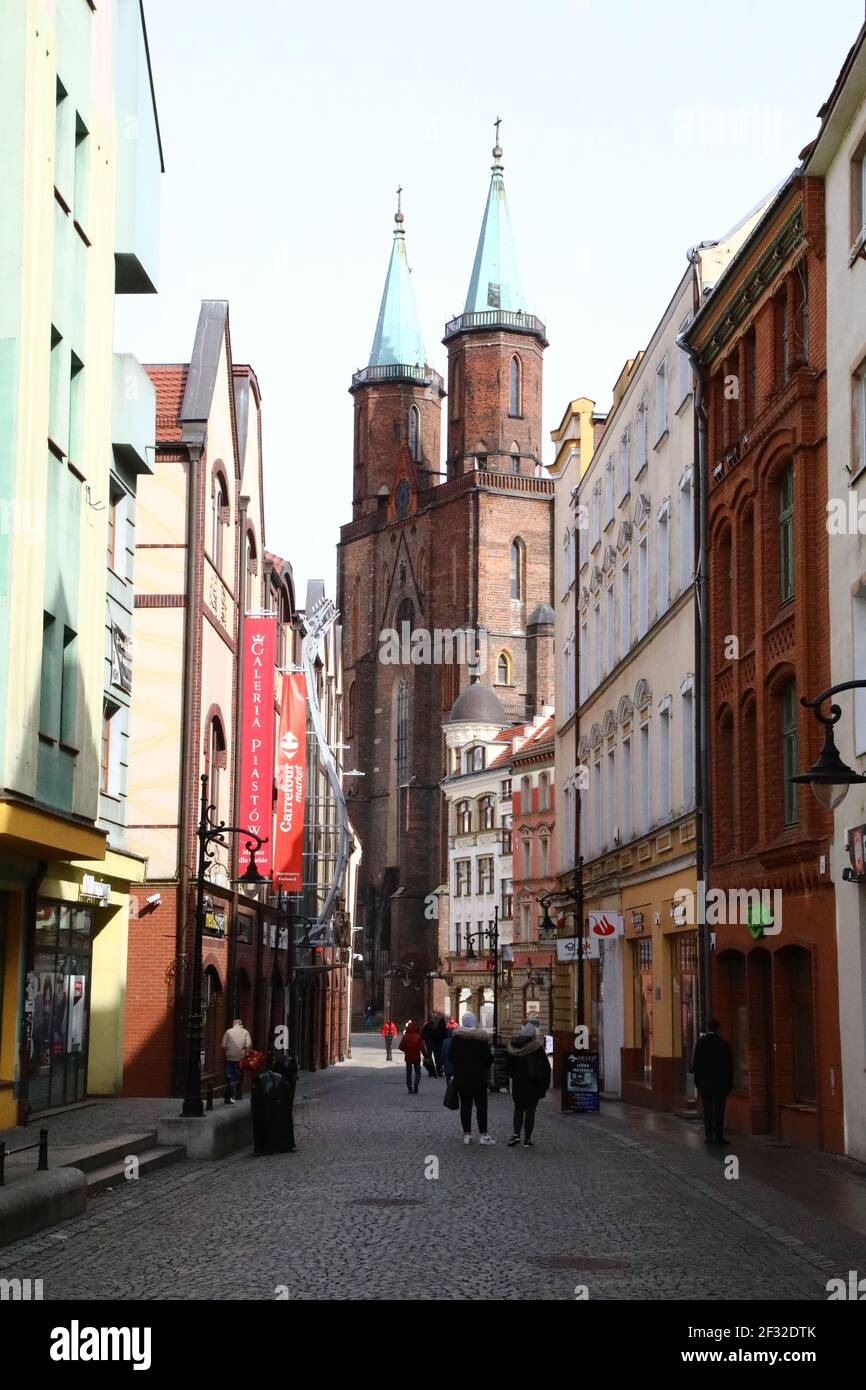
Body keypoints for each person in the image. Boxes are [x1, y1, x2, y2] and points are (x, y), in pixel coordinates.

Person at [448, 1011, 495, 1144]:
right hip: (479, 1078)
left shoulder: (457, 1038)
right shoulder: (481, 1038)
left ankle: (467, 1135)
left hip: (462, 1078)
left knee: (465, 1105)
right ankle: (483, 1135)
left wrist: (460, 1067)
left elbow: (451, 1057)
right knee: (481, 1106)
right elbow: (488, 1059)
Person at [506, 1022, 552, 1148]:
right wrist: (545, 1084)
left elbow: (508, 1066)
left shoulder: (513, 1046)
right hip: (533, 1084)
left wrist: (514, 1076)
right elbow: (546, 1068)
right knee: (530, 1112)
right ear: (533, 1035)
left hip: (518, 1083)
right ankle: (527, 1139)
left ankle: (516, 1135)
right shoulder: (536, 1048)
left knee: (518, 1109)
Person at [692, 1018, 734, 1145]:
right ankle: (719, 1136)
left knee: (708, 1110)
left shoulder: (701, 1043)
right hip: (720, 1084)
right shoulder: (723, 1044)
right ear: (718, 1029)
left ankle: (709, 1136)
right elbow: (729, 1066)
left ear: (708, 1028)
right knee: (719, 1110)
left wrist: (697, 1081)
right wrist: (730, 1083)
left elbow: (696, 1063)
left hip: (705, 1083)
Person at [221, 1016, 252, 1103]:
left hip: (229, 1057)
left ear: (233, 1024)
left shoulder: (228, 1032)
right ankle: (238, 1095)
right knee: (239, 1076)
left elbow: (223, 1045)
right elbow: (249, 1044)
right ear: (241, 1024)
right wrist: (246, 1053)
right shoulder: (245, 1032)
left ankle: (230, 1095)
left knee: (229, 1076)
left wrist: (228, 1049)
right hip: (240, 1058)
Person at [398, 1020, 426, 1094]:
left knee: (408, 1073)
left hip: (408, 1057)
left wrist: (406, 1050)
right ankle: (416, 1084)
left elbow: (400, 1047)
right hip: (416, 1057)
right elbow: (422, 1048)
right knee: (418, 1072)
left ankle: (410, 1088)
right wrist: (426, 1056)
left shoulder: (405, 1037)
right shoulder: (418, 1037)